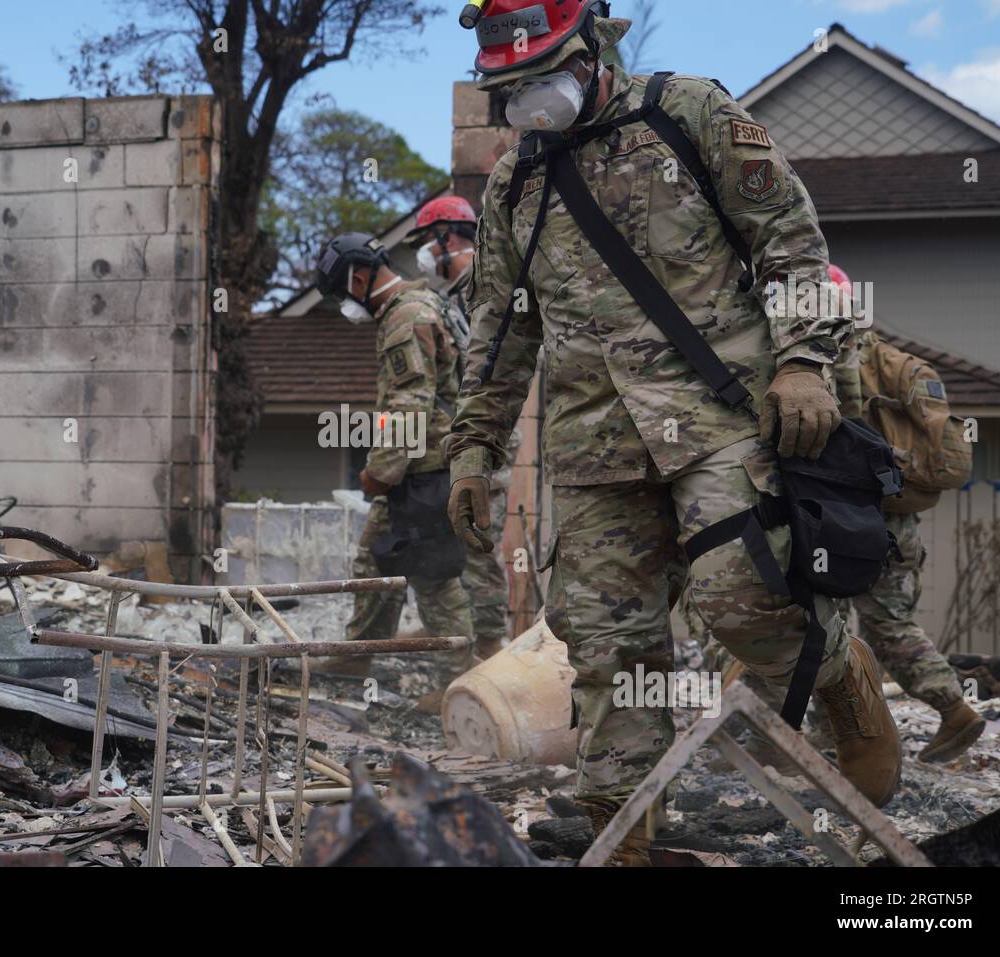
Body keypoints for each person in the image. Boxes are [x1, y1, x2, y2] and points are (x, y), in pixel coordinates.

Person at [445, 2, 901, 863]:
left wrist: (804, 360)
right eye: (510, 87)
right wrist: (476, 448)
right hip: (593, 444)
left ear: (591, 51)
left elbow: (791, 243)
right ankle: (627, 838)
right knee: (607, 648)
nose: (528, 99)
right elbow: (501, 332)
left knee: (743, 594)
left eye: (539, 76)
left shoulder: (690, 115)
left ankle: (844, 672)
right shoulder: (514, 188)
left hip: (718, 413)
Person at [830, 264, 987, 763]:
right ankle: (953, 707)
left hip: (839, 519)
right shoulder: (902, 365)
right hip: (898, 524)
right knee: (890, 624)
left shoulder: (829, 363)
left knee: (822, 626)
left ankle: (824, 730)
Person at [314, 233, 474, 654]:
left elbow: (410, 403)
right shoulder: (417, 307)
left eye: (341, 292)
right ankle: (358, 658)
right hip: (420, 471)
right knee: (376, 564)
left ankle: (463, 678)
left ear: (360, 276)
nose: (343, 303)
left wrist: (380, 473)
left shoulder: (406, 317)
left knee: (434, 578)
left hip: (423, 474)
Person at [409, 197, 517, 659]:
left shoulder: (483, 284)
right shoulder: (455, 295)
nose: (424, 256)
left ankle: (490, 650)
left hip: (485, 440)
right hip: (464, 439)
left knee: (476, 550)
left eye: (426, 244)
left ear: (447, 238)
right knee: (458, 550)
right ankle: (468, 645)